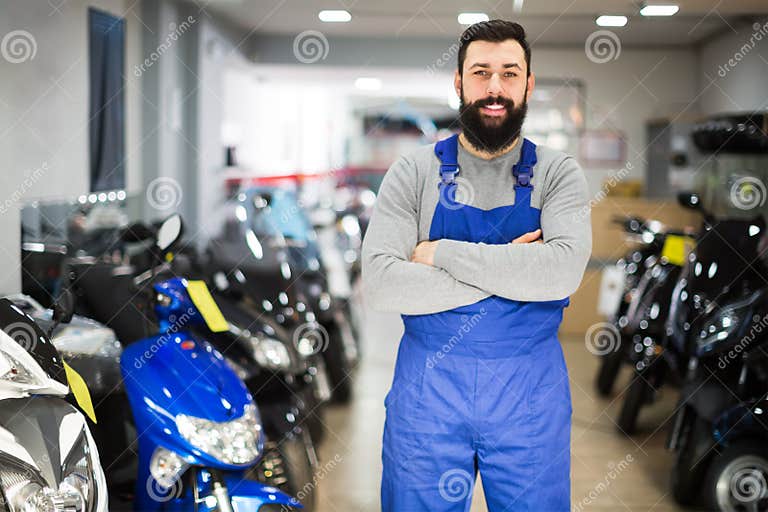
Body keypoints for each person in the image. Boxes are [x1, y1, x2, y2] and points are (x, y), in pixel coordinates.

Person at [361, 19, 592, 511]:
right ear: (459, 82)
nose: (495, 88)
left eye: (510, 74)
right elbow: (381, 285)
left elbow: (561, 274)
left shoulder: (558, 174)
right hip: (428, 392)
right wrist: (518, 269)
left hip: (529, 394)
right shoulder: (413, 173)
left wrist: (440, 253)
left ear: (529, 84)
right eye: (481, 72)